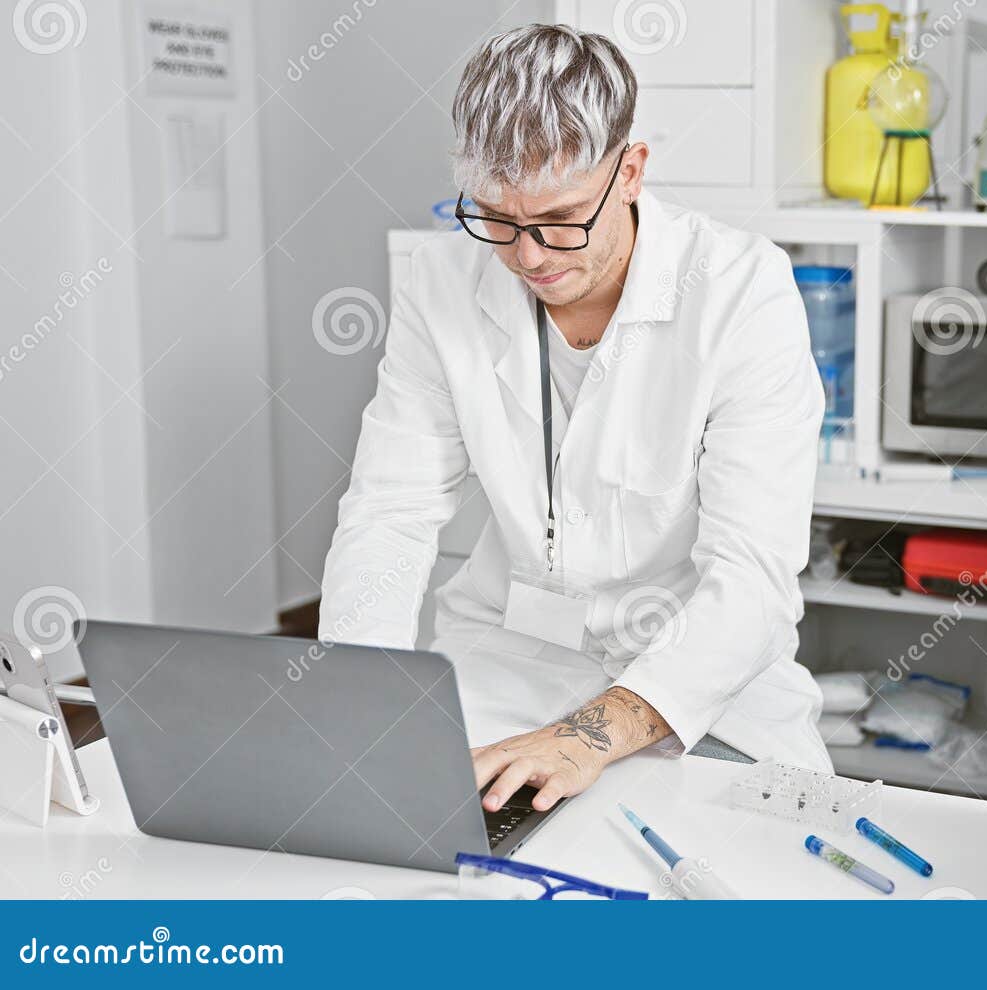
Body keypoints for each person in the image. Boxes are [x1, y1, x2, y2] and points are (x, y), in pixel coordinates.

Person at [318, 24, 829, 815]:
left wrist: (587, 736)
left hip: (700, 684)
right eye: (497, 219)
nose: (528, 257)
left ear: (631, 171)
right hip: (505, 662)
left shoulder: (741, 290)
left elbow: (753, 580)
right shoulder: (442, 280)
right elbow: (391, 511)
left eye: (559, 220)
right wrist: (354, 702)